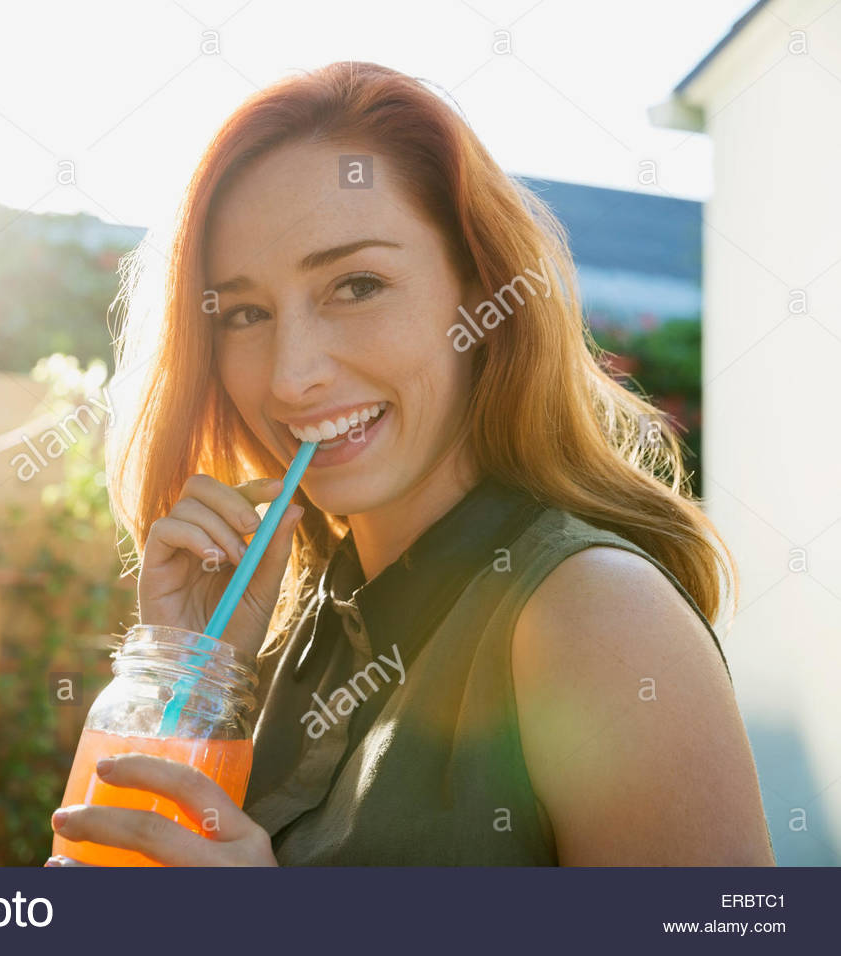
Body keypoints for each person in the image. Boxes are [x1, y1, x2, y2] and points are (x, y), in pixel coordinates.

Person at [47, 61, 776, 866]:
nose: (292, 376)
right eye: (247, 312)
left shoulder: (599, 616)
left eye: (356, 285)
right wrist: (191, 671)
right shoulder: (304, 625)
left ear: (481, 293)